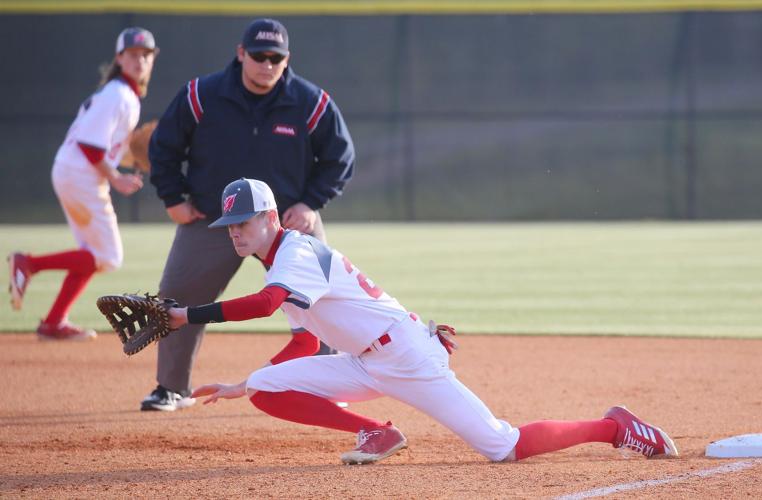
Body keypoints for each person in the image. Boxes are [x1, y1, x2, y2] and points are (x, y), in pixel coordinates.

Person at [166, 178, 678, 465]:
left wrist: (186, 315)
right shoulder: (281, 264)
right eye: (229, 225)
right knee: (264, 386)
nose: (234, 232)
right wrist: (245, 383)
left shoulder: (295, 254)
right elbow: (304, 342)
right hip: (363, 362)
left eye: (243, 222)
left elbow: (263, 305)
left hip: (406, 356)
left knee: (504, 446)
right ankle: (378, 433)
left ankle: (615, 428)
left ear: (271, 218)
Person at [143, 18, 355, 411]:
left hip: (286, 221)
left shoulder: (310, 102)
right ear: (241, 53)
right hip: (213, 218)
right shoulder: (201, 95)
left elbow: (340, 158)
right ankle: (171, 387)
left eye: (276, 57)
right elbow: (163, 147)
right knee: (180, 294)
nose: (267, 64)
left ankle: (326, 385)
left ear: (287, 59)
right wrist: (172, 197)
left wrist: (310, 202)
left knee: (320, 300)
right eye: (259, 56)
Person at [7, 27, 157, 340]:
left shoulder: (122, 95)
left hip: (74, 172)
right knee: (109, 256)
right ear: (119, 58)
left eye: (146, 55)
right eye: (133, 54)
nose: (140, 60)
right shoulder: (118, 95)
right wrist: (115, 177)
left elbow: (107, 148)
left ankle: (54, 322)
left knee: (93, 255)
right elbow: (90, 145)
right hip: (80, 174)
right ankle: (29, 264)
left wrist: (131, 160)